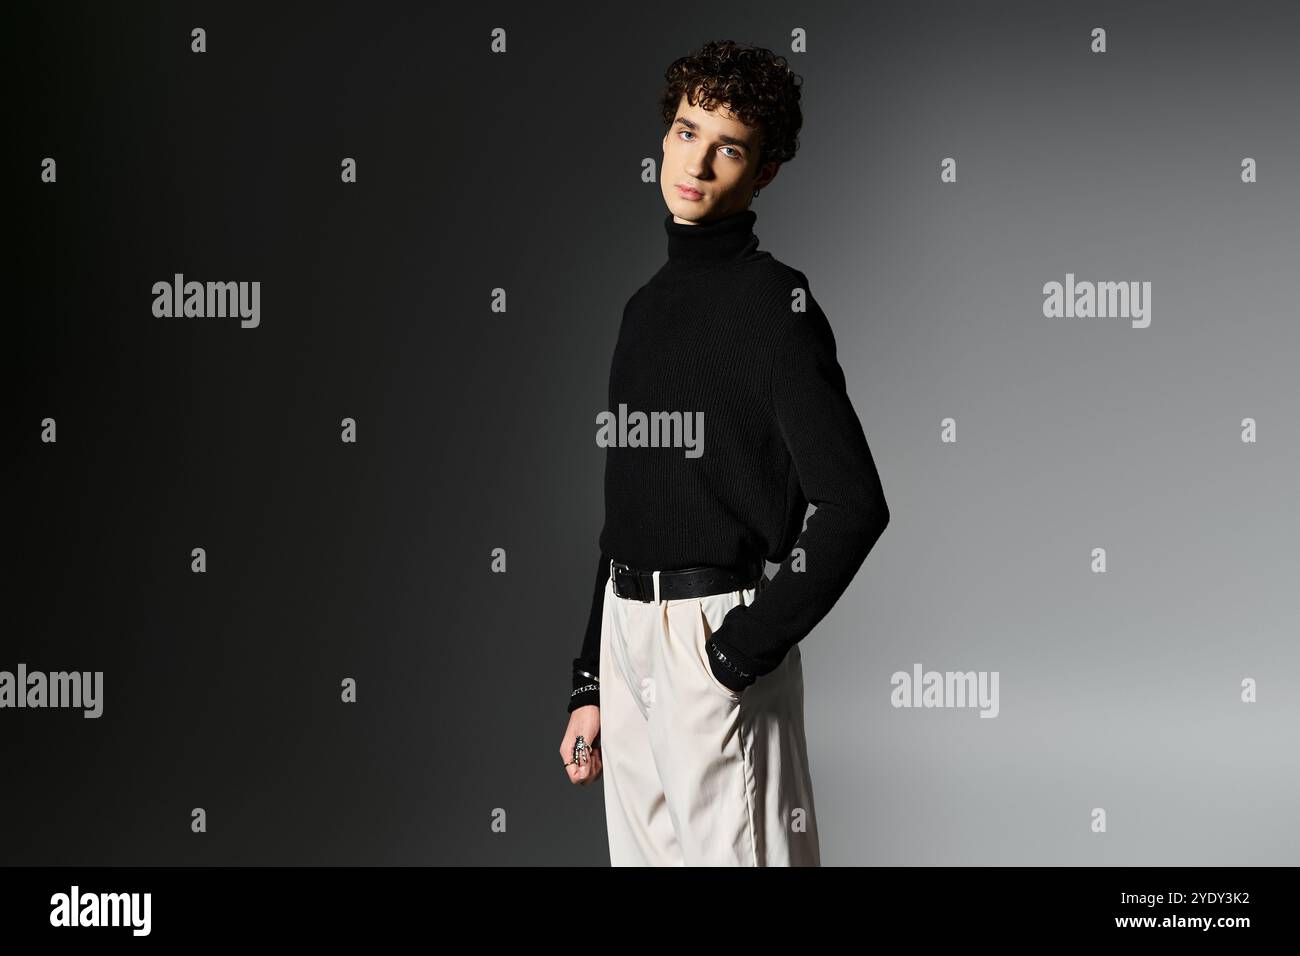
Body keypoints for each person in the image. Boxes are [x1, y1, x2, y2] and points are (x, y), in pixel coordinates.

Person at [559, 39, 890, 866]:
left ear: (764, 171)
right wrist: (591, 681)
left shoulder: (776, 306)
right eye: (686, 131)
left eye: (729, 147)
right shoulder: (642, 311)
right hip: (626, 638)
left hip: (711, 635)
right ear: (664, 137)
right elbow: (627, 510)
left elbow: (854, 505)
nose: (697, 162)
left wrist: (740, 650)